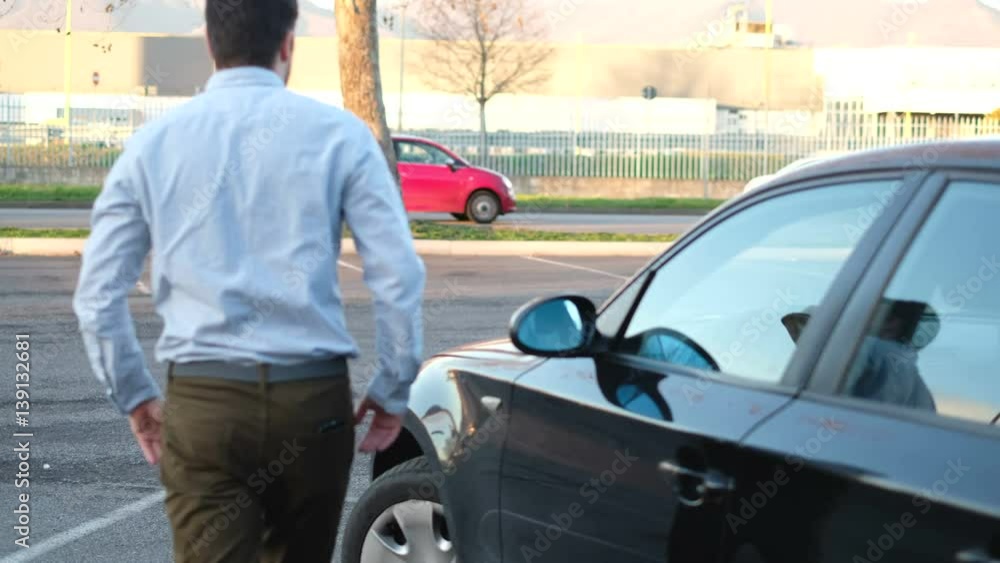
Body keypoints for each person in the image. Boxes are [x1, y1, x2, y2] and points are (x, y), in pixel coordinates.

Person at [72, 1, 425, 561]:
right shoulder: (341, 136)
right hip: (313, 403)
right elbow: (398, 273)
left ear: (210, 44)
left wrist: (137, 397)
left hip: (205, 405)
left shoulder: (152, 145)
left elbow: (96, 297)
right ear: (288, 44)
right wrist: (394, 384)